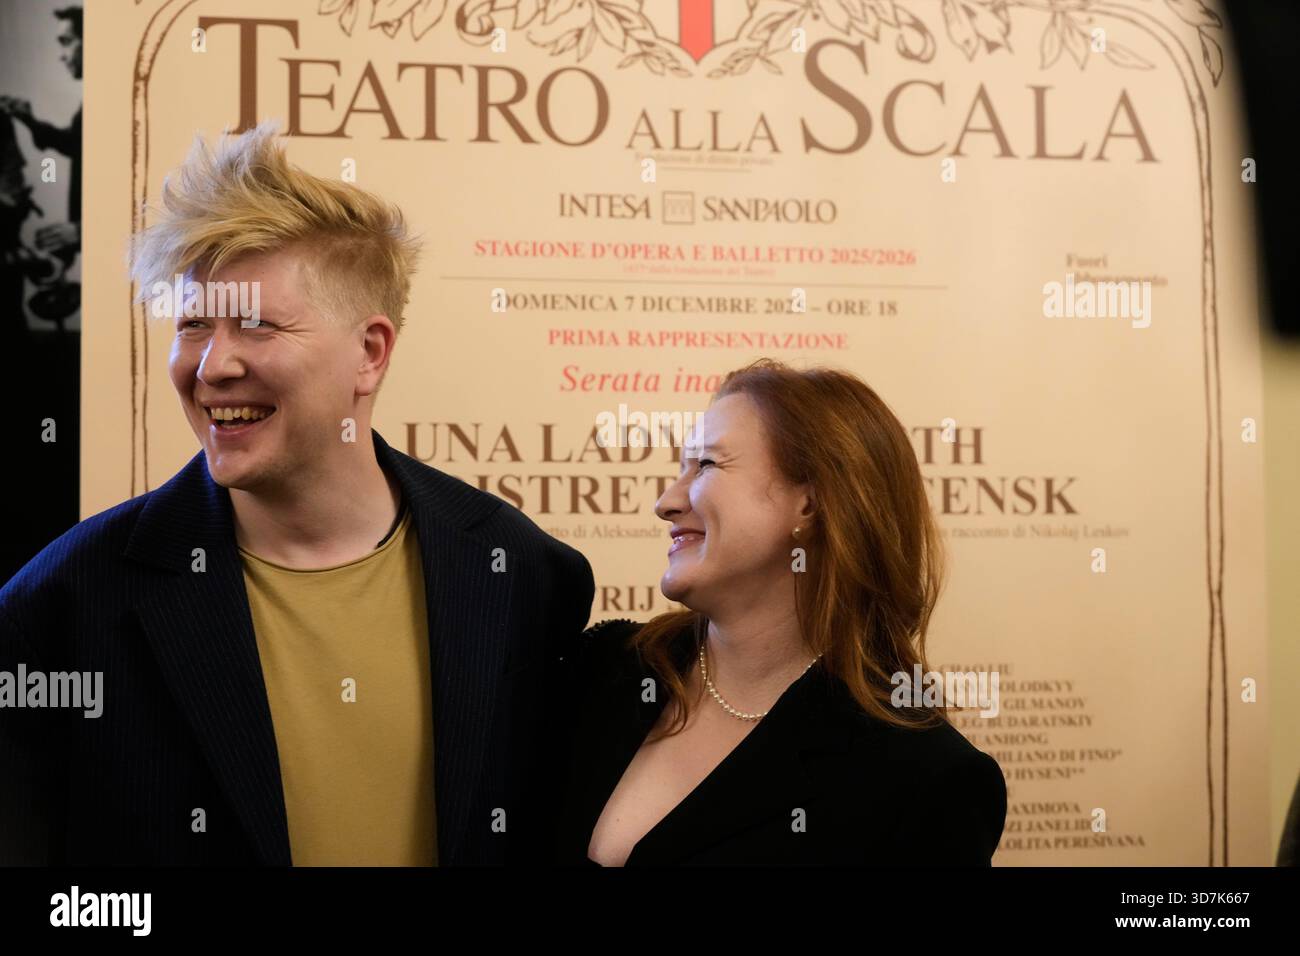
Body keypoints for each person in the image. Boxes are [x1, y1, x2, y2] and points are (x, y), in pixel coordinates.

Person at [0, 121, 594, 866]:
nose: (212, 367)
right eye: (193, 326)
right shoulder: (60, 606)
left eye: (254, 325)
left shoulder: (525, 577)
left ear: (369, 353)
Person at [557, 359, 1006, 865]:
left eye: (706, 465)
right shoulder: (606, 668)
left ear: (811, 504)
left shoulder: (922, 778)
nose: (667, 502)